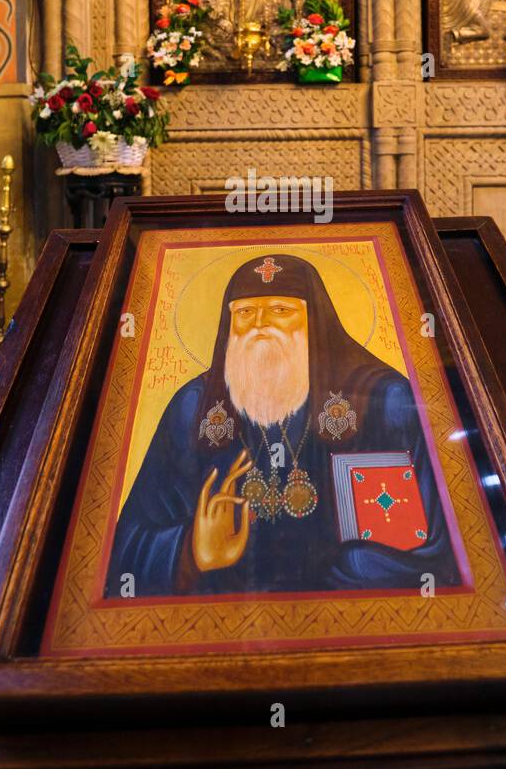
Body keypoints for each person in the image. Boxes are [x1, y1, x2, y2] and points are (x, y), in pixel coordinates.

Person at [105, 254, 460, 597]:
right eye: (245, 313)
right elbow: (126, 553)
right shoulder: (195, 407)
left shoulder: (383, 401)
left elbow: (442, 553)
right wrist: (189, 551)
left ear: (315, 321)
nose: (260, 325)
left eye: (280, 311)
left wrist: (343, 572)